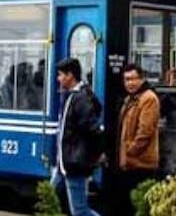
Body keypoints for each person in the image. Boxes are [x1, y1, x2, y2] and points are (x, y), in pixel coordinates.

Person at [51, 58, 102, 216]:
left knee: (80, 211)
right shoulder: (73, 96)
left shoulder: (80, 99)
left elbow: (92, 130)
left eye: (60, 75)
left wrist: (96, 154)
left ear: (70, 75)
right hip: (64, 164)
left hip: (74, 163)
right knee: (48, 197)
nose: (58, 79)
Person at [111, 63, 160, 216]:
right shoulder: (130, 99)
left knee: (137, 207)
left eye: (133, 79)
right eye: (126, 80)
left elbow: (145, 132)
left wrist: (131, 151)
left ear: (141, 79)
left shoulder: (148, 98)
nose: (130, 83)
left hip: (140, 164)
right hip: (128, 163)